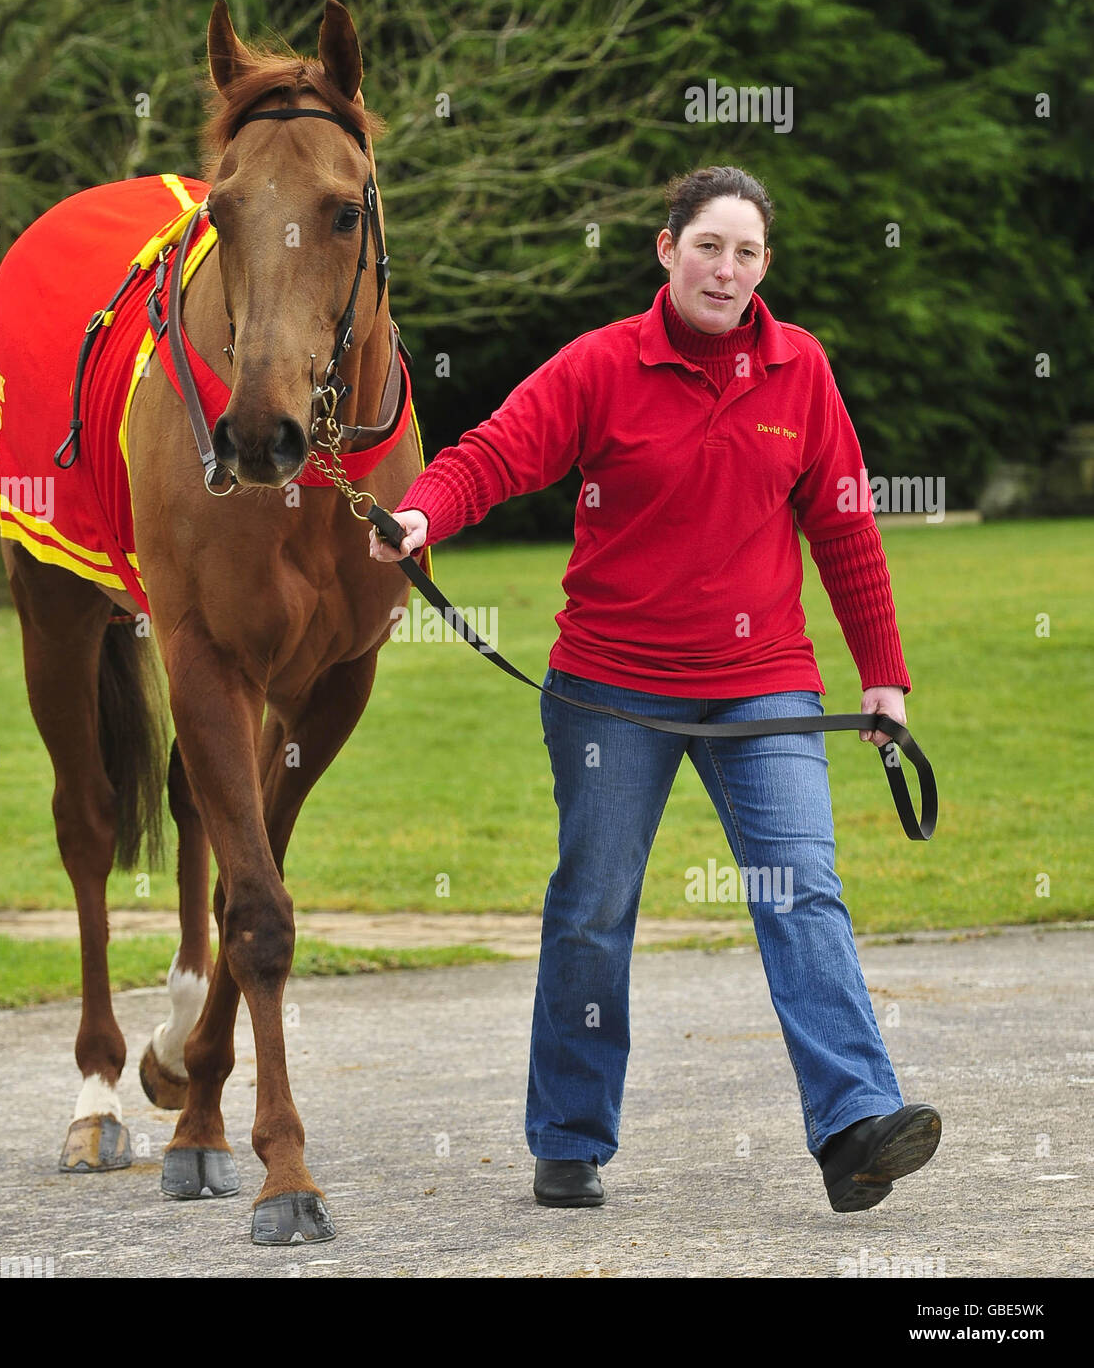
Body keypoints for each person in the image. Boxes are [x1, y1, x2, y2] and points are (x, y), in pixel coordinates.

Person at [369, 165, 941, 1213]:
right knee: (593, 906)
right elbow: (495, 452)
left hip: (762, 682)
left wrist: (885, 678)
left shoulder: (798, 369)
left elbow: (845, 525)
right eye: (709, 245)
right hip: (610, 688)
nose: (727, 269)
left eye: (747, 252)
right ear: (666, 248)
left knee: (799, 886)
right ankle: (569, 1136)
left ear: (764, 266)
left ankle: (856, 1125)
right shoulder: (601, 365)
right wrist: (422, 515)